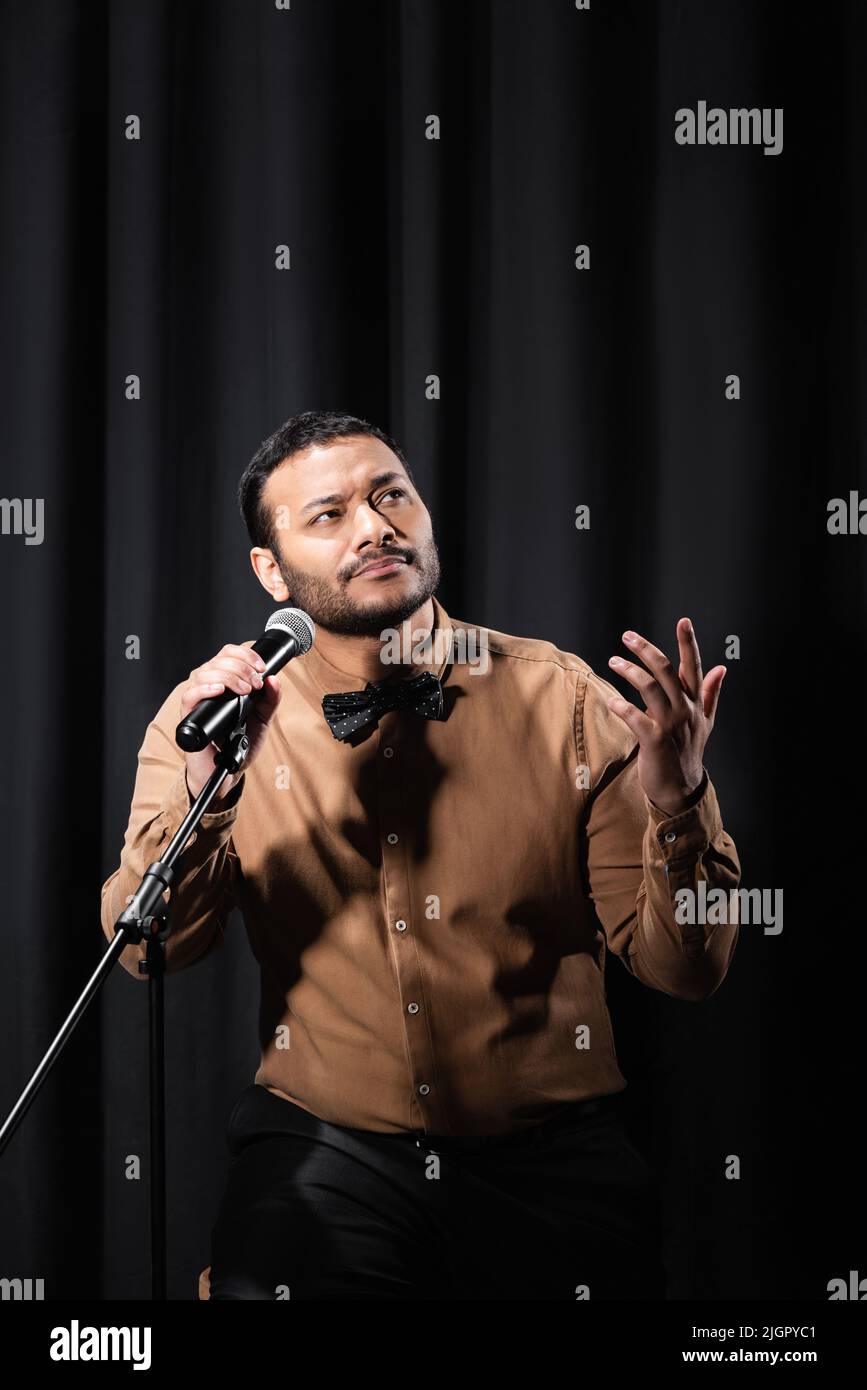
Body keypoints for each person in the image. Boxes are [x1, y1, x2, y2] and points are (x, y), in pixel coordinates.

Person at [100, 410, 741, 1300]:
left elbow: (687, 969)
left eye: (390, 494)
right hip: (325, 1147)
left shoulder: (567, 703)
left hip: (551, 1159)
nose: (375, 527)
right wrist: (212, 785)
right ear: (269, 569)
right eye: (328, 515)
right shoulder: (207, 719)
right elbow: (145, 948)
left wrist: (678, 804)